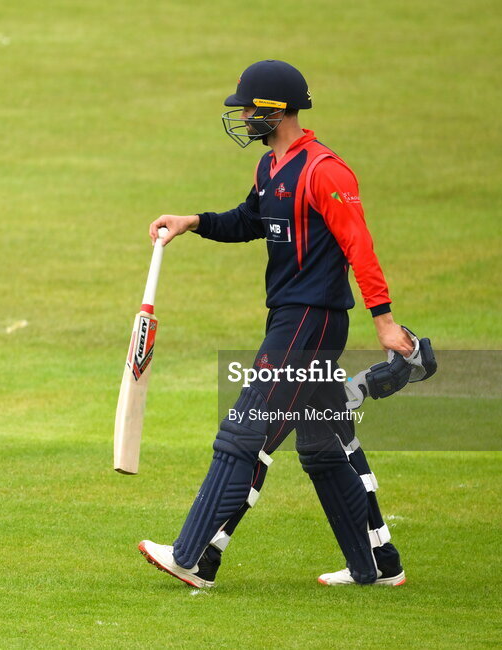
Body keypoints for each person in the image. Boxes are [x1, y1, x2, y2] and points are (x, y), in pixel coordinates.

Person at [138, 60, 413, 587]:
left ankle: (190, 557)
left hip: (309, 324)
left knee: (242, 433)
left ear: (275, 110)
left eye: (248, 107)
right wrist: (191, 222)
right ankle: (376, 566)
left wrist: (384, 321)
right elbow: (249, 221)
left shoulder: (325, 171)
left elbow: (360, 247)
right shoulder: (270, 167)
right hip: (290, 319)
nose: (241, 116)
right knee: (320, 445)